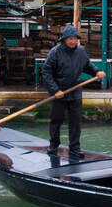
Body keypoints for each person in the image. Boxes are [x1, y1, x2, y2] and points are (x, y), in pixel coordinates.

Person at [41, 25, 105, 165]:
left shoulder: (81, 52)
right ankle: (53, 146)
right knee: (56, 121)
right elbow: (46, 72)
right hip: (59, 92)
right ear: (64, 40)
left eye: (74, 39)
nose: (72, 41)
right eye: (70, 39)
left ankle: (75, 148)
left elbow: (87, 65)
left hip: (75, 91)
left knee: (75, 122)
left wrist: (96, 72)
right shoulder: (55, 52)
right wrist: (55, 89)